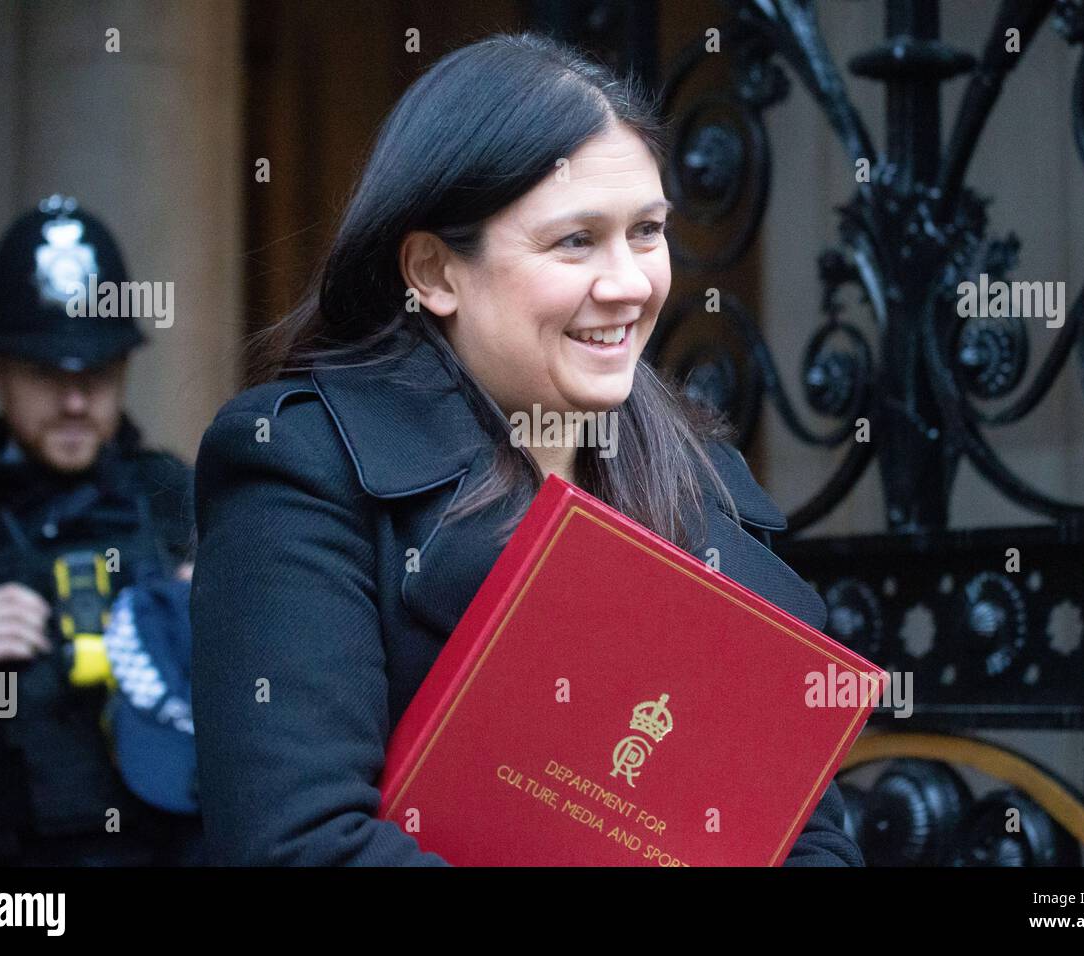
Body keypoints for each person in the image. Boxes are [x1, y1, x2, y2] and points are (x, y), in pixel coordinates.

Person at [190, 32, 864, 867]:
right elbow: (298, 845)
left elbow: (809, 837)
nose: (628, 283)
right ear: (434, 271)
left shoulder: (706, 482)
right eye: (575, 241)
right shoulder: (299, 466)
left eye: (646, 231)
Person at [0, 195, 204, 865]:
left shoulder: (185, 506)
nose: (75, 402)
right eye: (48, 375)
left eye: (97, 374)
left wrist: (221, 620)